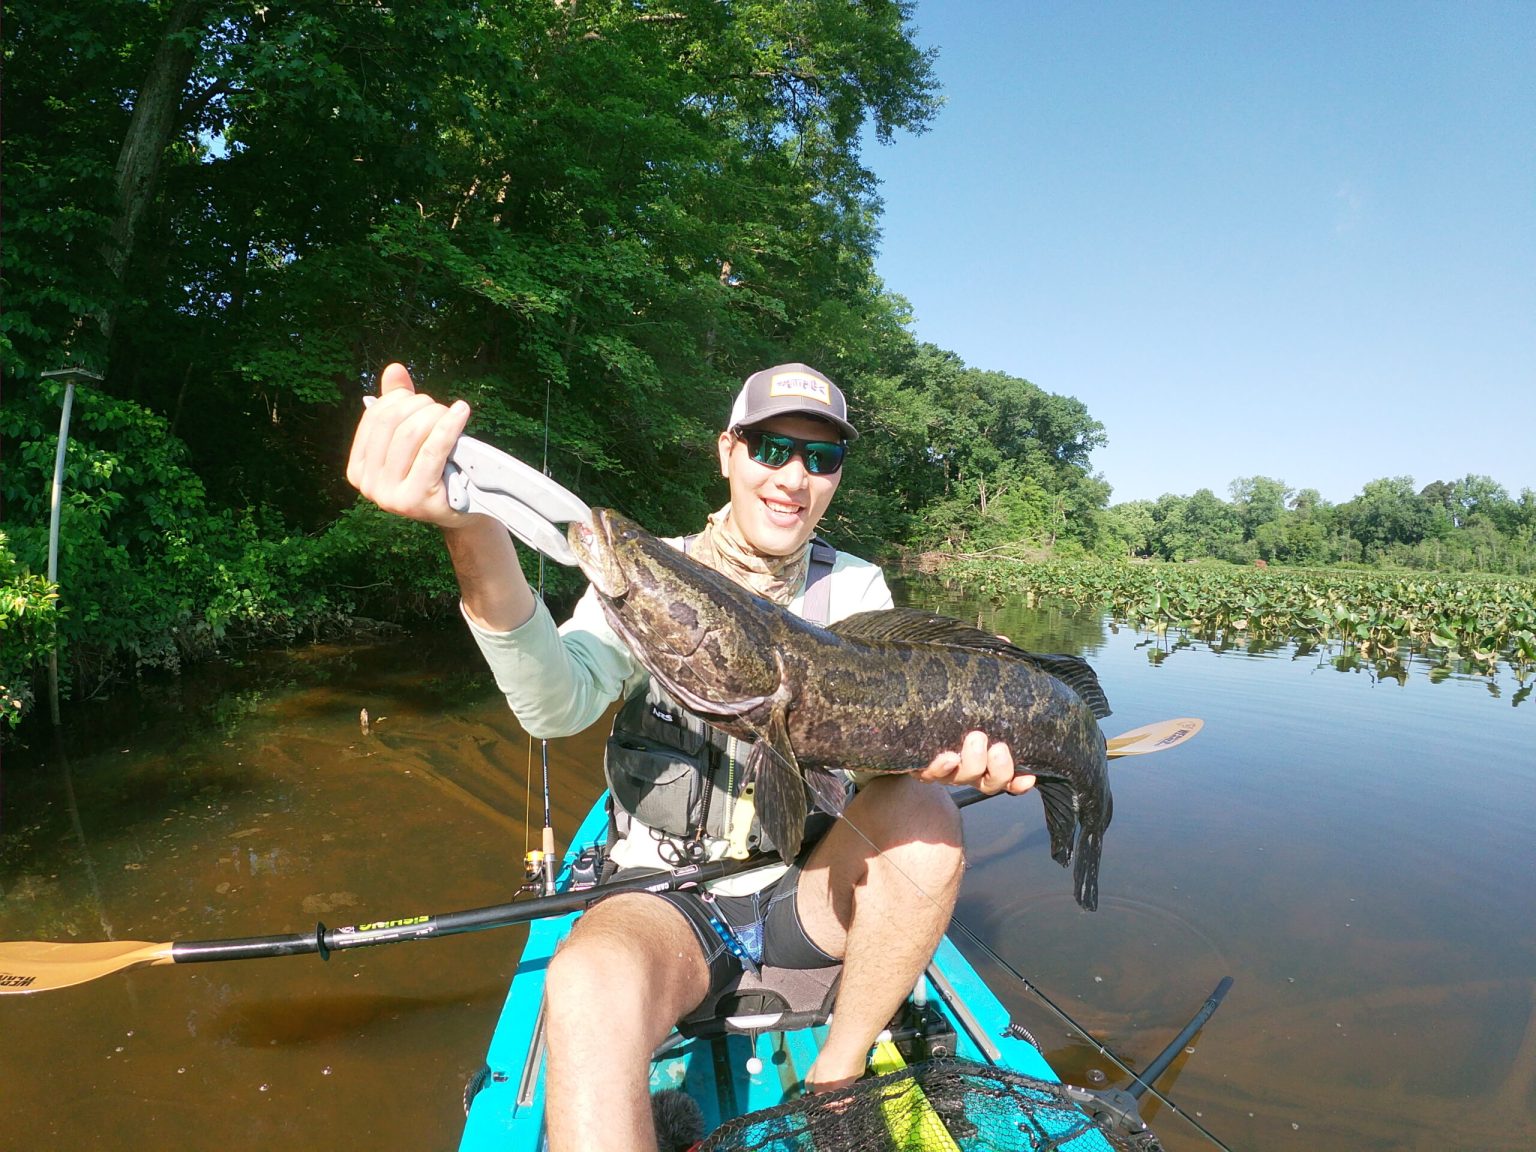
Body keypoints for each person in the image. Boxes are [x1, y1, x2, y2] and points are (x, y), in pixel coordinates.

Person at [347, 360, 1037, 1151]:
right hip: (665, 895)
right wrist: (472, 529)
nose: (792, 476)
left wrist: (954, 747)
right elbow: (553, 703)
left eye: (821, 458)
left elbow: (887, 770)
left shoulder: (855, 591)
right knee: (584, 983)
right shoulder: (652, 574)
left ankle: (835, 1082)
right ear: (727, 452)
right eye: (770, 446)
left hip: (802, 891)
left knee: (927, 814)